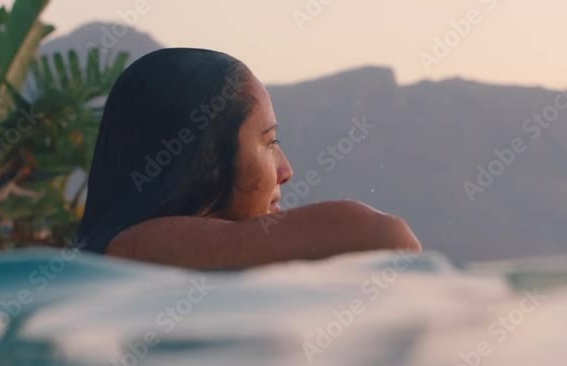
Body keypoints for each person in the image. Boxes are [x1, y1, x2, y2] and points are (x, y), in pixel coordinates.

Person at [77, 48, 421, 269]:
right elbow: (382, 235)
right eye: (269, 142)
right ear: (206, 157)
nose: (286, 171)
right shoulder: (138, 247)